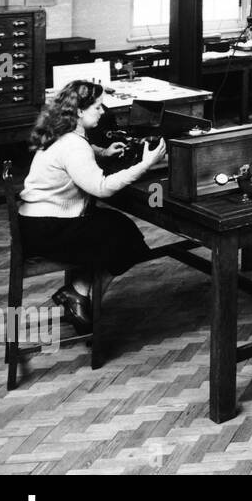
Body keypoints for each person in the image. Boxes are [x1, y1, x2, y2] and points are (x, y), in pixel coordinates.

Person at [17, 80, 167, 332]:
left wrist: (102, 153)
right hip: (49, 230)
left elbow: (73, 153)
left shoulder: (62, 135)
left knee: (118, 226)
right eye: (97, 106)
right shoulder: (74, 146)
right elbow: (102, 188)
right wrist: (145, 164)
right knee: (127, 240)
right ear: (78, 111)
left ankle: (78, 294)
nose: (102, 111)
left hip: (34, 224)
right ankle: (79, 294)